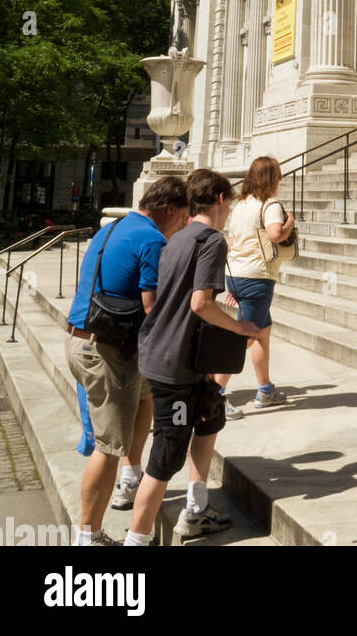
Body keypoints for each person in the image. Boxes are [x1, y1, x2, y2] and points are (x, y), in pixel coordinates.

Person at [124, 169, 261, 546]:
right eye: (229, 202)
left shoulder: (178, 235)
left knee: (210, 415)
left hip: (168, 355)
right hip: (175, 366)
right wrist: (241, 328)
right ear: (220, 200)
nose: (230, 209)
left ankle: (197, 507)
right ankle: (136, 540)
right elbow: (200, 303)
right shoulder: (211, 240)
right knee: (166, 458)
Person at [65, 176, 190, 546]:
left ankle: (131, 476)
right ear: (170, 209)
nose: (183, 224)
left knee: (144, 401)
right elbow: (153, 307)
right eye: (183, 217)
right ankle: (87, 537)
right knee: (108, 448)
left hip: (84, 338)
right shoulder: (151, 238)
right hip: (107, 352)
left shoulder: (116, 226)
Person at [215, 155, 295, 418]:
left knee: (263, 331)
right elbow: (275, 235)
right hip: (257, 277)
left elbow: (231, 240)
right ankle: (213, 395)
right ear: (273, 178)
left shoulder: (242, 205)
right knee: (246, 336)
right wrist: (289, 224)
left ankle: (265, 388)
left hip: (235, 274)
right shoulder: (270, 204)